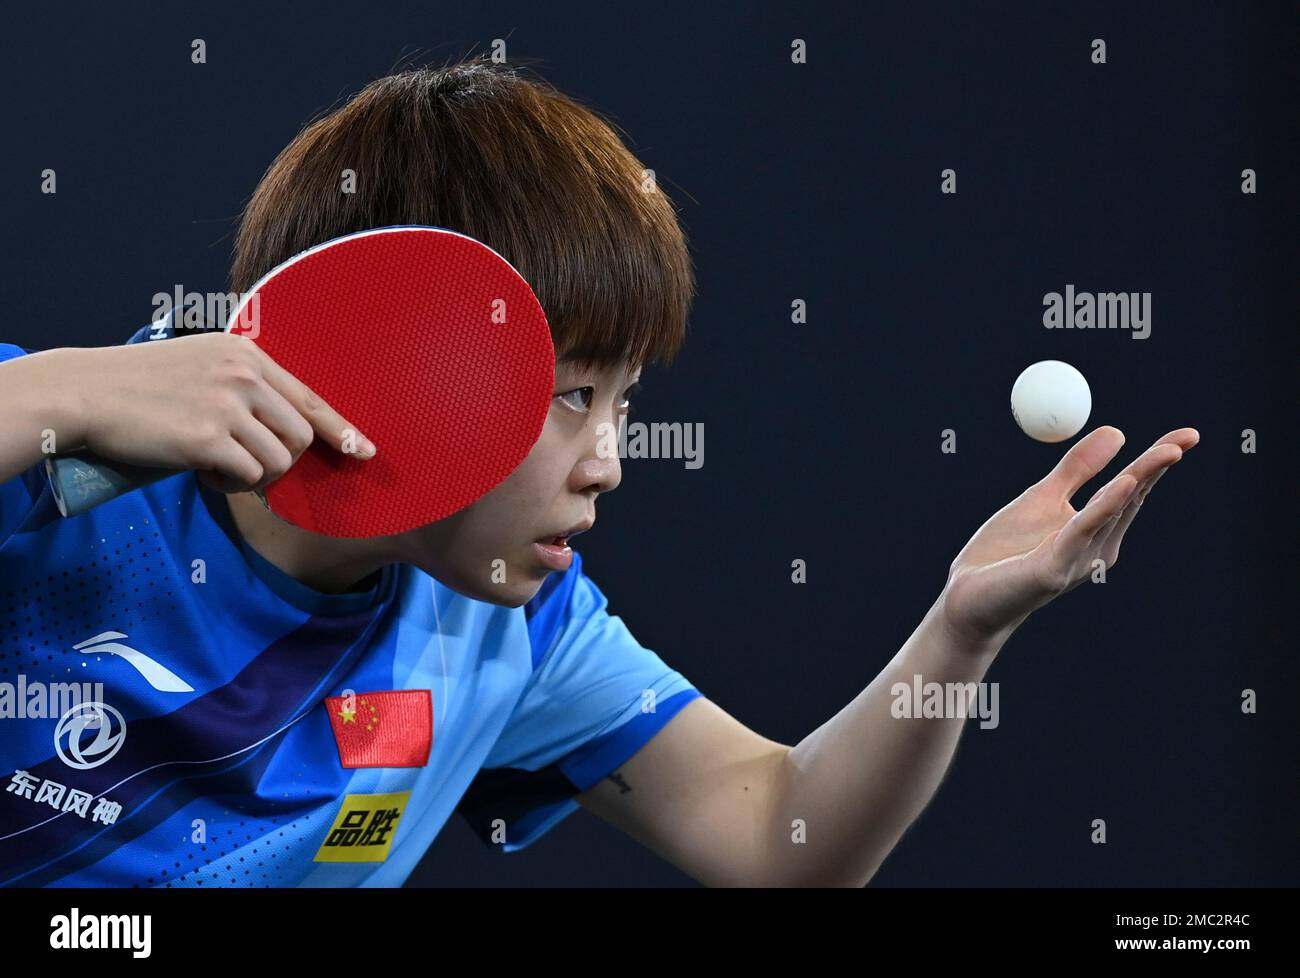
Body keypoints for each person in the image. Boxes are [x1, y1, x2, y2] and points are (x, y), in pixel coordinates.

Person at [0, 58, 1197, 887]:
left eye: (626, 401)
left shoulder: (503, 630)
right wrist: (49, 397)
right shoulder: (61, 442)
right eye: (572, 393)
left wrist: (958, 631)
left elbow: (778, 840)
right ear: (395, 358)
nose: (610, 465)